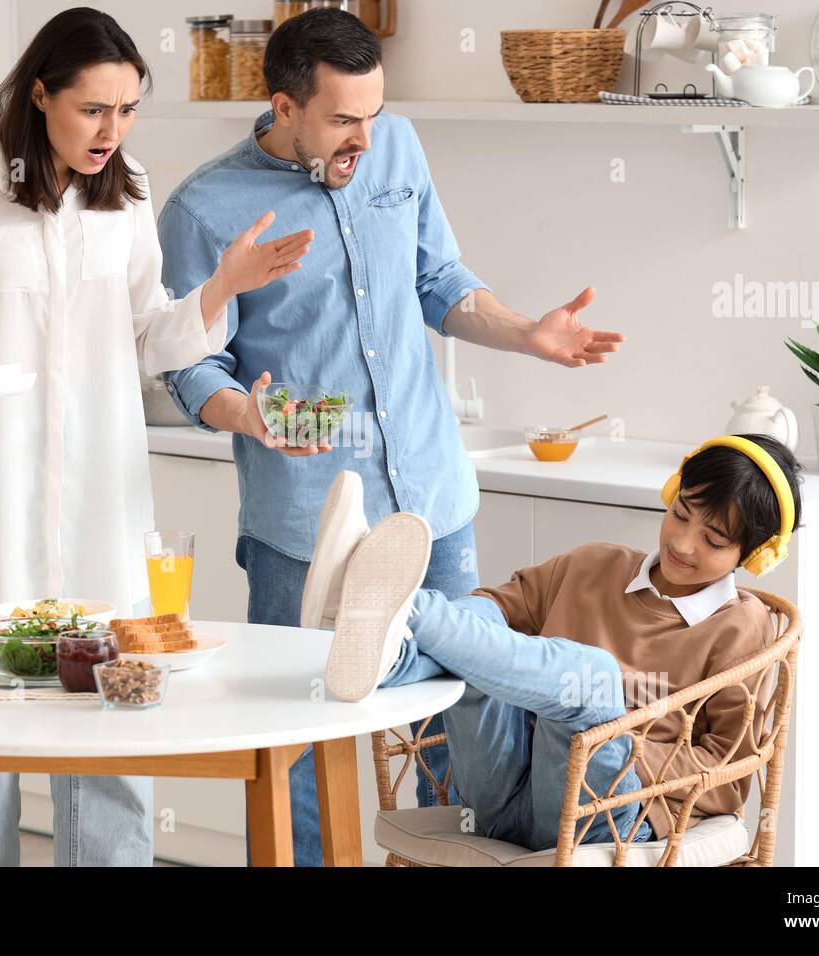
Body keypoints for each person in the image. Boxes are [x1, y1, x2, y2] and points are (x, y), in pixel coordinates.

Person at [158, 7, 625, 865]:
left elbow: (437, 278)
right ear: (283, 106)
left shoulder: (398, 147)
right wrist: (245, 414)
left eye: (373, 114)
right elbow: (191, 368)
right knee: (299, 727)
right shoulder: (204, 208)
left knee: (462, 713)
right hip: (308, 520)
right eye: (341, 119)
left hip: (432, 502)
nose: (364, 138)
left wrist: (527, 332)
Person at [0, 7, 311, 866]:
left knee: (112, 748)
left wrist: (219, 289)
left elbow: (152, 338)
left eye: (128, 109)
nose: (112, 131)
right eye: (92, 110)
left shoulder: (131, 191)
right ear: (39, 94)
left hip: (100, 520)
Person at [306, 434, 803, 849]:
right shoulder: (595, 563)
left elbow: (731, 773)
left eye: (714, 541)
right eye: (681, 512)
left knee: (591, 676)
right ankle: (390, 655)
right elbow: (493, 607)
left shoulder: (742, 625)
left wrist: (610, 738)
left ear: (754, 555)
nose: (682, 542)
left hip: (607, 819)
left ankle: (399, 607)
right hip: (497, 799)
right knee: (479, 646)